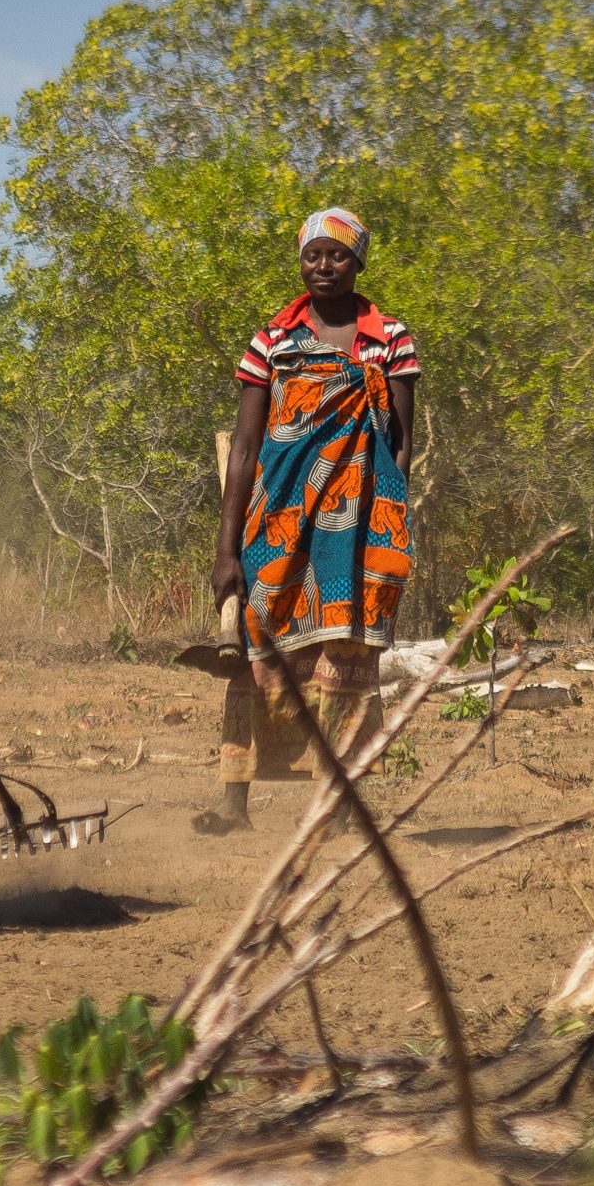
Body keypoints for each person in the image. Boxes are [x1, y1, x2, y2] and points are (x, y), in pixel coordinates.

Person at [196, 206, 420, 835]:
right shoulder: (272, 340)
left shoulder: (390, 337)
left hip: (358, 523)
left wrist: (386, 515)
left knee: (348, 655)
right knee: (259, 646)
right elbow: (243, 448)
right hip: (279, 516)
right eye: (312, 255)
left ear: (359, 261)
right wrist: (225, 550)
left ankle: (341, 805)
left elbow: (399, 442)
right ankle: (232, 803)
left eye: (338, 255)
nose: (324, 267)